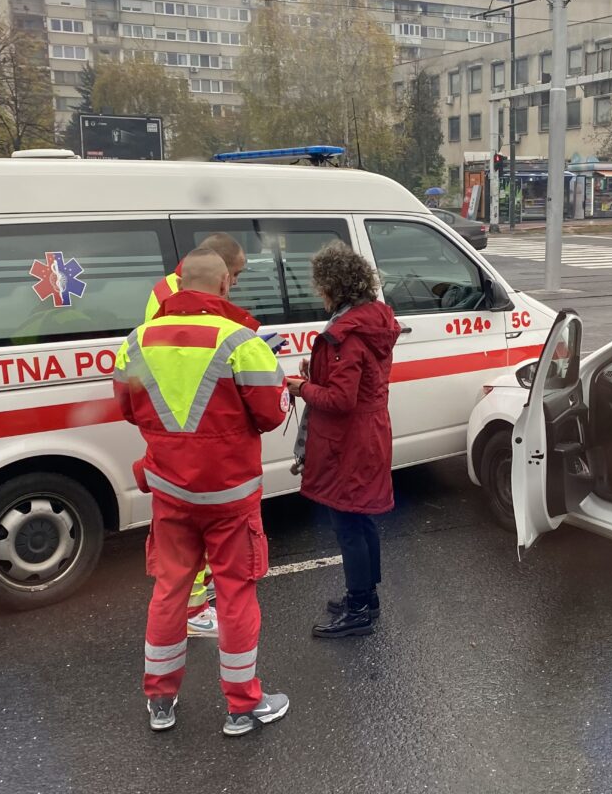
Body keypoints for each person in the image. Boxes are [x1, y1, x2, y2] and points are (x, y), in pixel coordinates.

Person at [115, 248, 291, 735]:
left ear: (178, 283)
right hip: (230, 497)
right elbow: (272, 413)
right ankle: (242, 706)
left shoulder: (136, 341)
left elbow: (128, 409)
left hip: (170, 492)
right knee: (235, 594)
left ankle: (161, 701)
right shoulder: (241, 341)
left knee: (169, 591)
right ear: (224, 285)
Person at [285, 242, 401, 639]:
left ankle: (358, 611)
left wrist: (302, 387)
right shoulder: (373, 320)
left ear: (333, 286)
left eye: (320, 287)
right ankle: (366, 597)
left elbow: (340, 399)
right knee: (361, 519)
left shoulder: (344, 334)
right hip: (369, 433)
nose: (318, 294)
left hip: (348, 440)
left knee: (348, 522)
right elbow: (356, 381)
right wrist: (317, 372)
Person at [146, 233, 249, 639]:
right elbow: (180, 358)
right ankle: (194, 610)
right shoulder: (176, 295)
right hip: (189, 423)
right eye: (235, 275)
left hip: (174, 425)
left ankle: (191, 606)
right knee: (195, 523)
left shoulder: (173, 288)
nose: (236, 285)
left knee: (183, 525)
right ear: (219, 272)